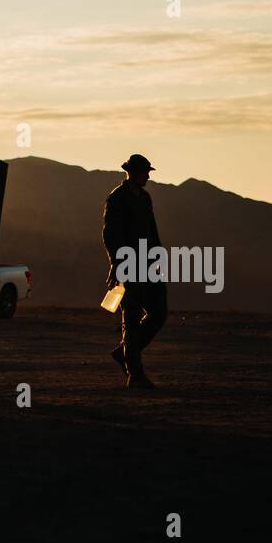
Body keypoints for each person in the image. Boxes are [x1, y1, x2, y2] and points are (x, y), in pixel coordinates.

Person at [101, 153, 168, 389]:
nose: (148, 176)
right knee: (130, 320)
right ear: (134, 173)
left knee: (159, 313)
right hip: (128, 266)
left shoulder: (145, 198)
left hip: (148, 265)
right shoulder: (117, 199)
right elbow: (110, 236)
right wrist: (118, 265)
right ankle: (135, 374)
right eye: (145, 172)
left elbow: (152, 231)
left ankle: (125, 354)